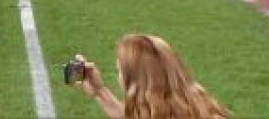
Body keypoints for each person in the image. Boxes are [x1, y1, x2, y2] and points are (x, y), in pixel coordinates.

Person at [68, 33, 229, 119]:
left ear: (137, 81)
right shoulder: (195, 105)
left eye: (119, 71)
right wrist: (99, 91)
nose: (119, 77)